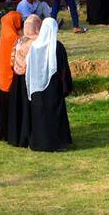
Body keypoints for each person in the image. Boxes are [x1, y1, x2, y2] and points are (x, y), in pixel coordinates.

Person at [24, 17, 74, 151]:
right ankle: (57, 143)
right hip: (53, 88)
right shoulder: (57, 47)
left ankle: (40, 143)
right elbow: (63, 70)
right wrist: (66, 87)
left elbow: (29, 67)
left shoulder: (35, 46)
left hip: (37, 89)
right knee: (54, 115)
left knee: (40, 116)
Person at [6, 15, 41, 147]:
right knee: (28, 109)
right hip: (29, 78)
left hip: (17, 78)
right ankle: (28, 136)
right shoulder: (36, 42)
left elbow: (12, 60)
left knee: (18, 107)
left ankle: (16, 137)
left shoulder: (19, 40)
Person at [0, 11, 23, 140]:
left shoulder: (4, 35)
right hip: (11, 77)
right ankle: (12, 132)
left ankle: (3, 132)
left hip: (2, 77)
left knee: (4, 108)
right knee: (13, 108)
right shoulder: (13, 37)